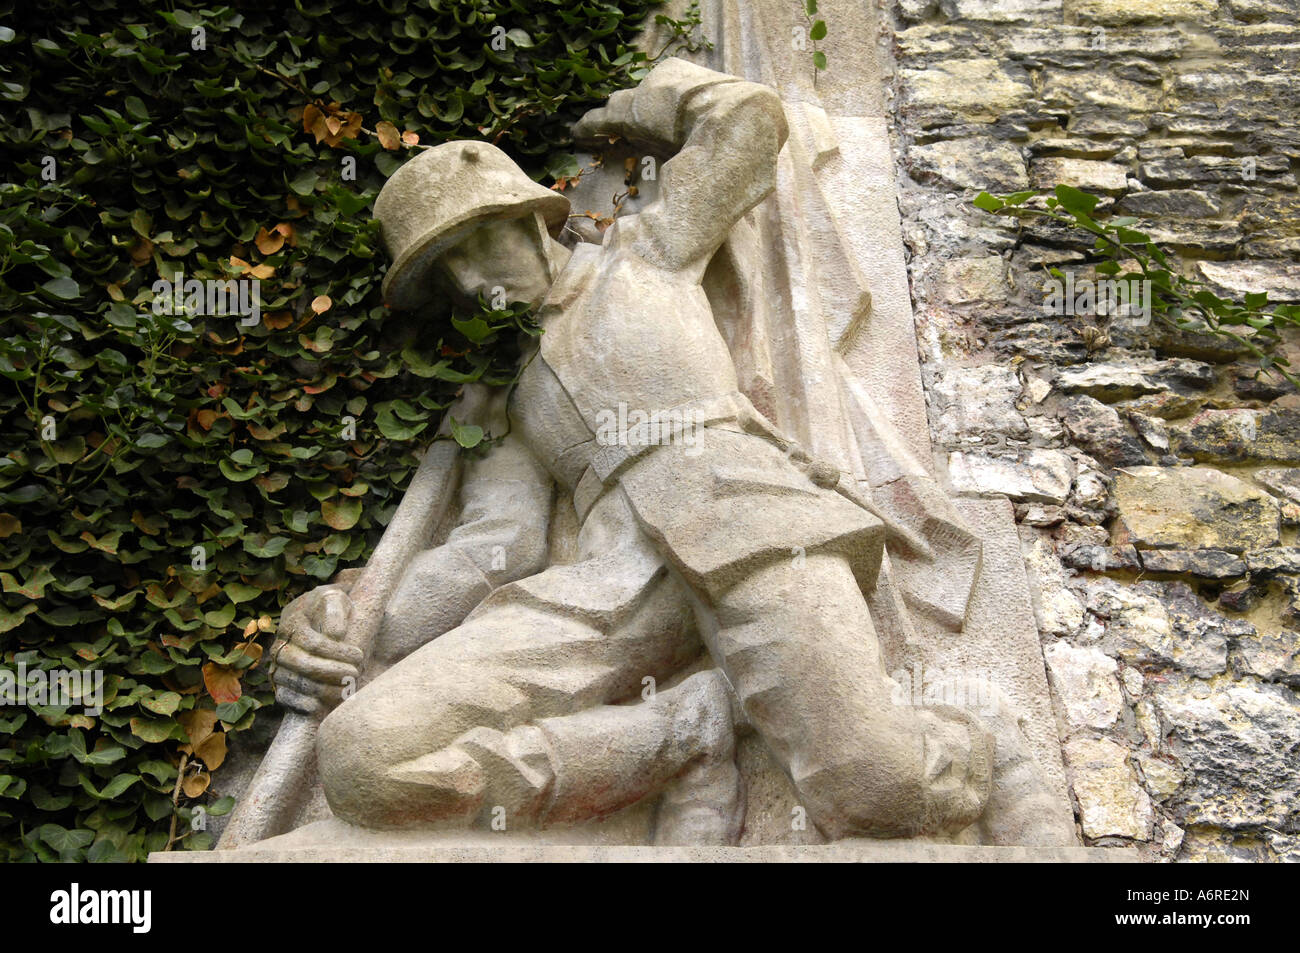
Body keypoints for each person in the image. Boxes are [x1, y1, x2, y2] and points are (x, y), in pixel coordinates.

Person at [271, 58, 1063, 845]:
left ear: (527, 217)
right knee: (365, 757)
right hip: (608, 586)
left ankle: (980, 737)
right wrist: (353, 620)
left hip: (756, 525)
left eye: (476, 245)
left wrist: (641, 100)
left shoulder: (643, 253)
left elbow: (749, 122)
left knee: (878, 790)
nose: (472, 281)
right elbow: (494, 546)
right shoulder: (501, 398)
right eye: (447, 272)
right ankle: (684, 730)